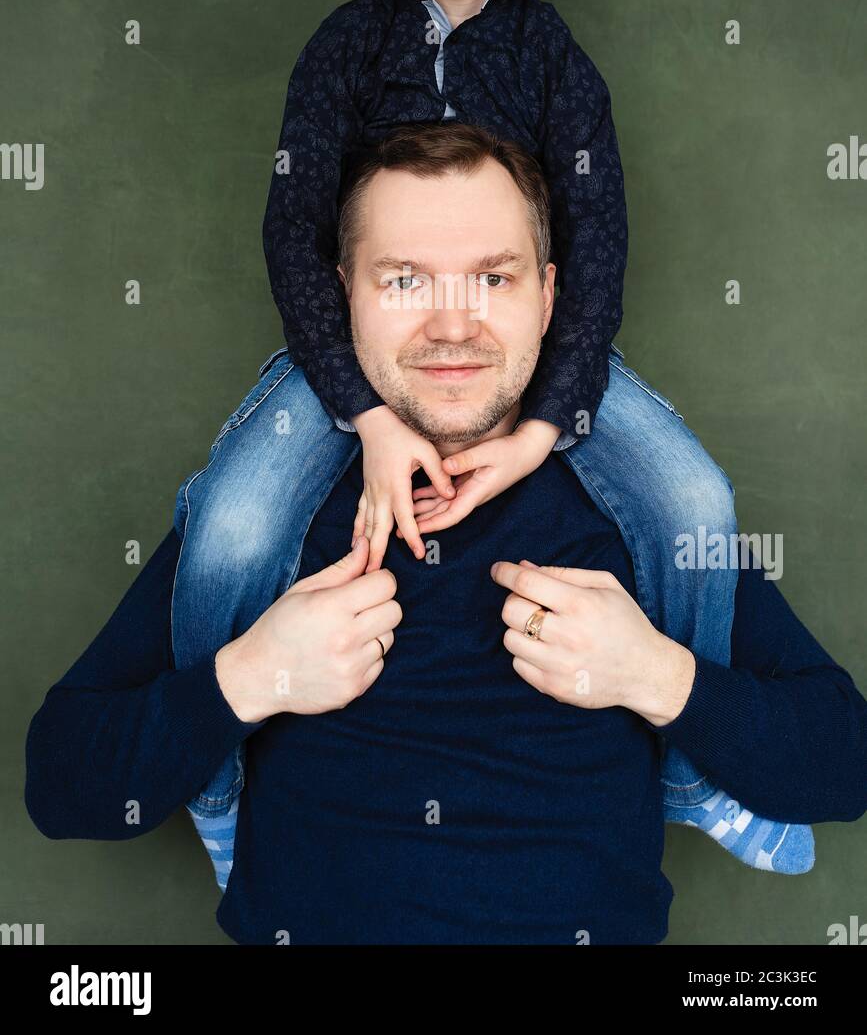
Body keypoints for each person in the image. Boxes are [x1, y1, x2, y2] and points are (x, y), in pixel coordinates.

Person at [170, 0, 813, 882]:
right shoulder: (342, 50)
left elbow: (598, 252)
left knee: (696, 497)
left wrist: (541, 426)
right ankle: (214, 786)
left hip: (538, 362)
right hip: (360, 356)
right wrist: (363, 411)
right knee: (226, 522)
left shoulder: (559, 66)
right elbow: (293, 235)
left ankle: (697, 772)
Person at [25, 126, 867, 945]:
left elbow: (842, 765)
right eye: (402, 281)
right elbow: (63, 790)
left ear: (549, 297)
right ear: (341, 295)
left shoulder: (637, 516)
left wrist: (656, 674)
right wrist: (250, 677)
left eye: (493, 280)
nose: (454, 326)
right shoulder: (267, 519)